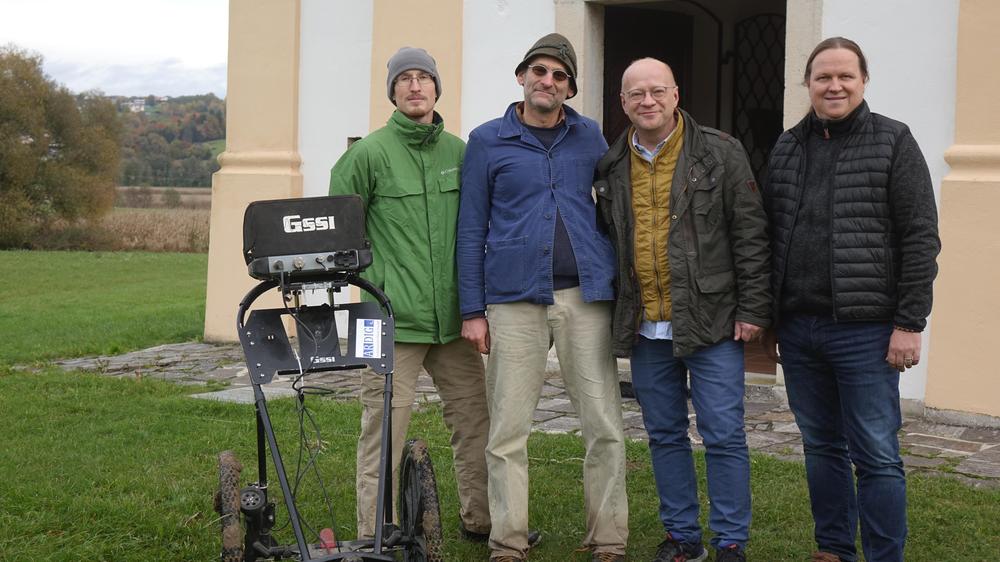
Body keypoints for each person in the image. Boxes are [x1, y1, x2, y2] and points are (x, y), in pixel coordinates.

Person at [762, 37, 940, 562]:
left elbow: (920, 237)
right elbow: (770, 235)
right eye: (823, 77)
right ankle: (833, 549)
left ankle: (885, 556)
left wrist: (910, 322)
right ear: (808, 85)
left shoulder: (893, 141)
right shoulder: (788, 146)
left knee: (878, 456)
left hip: (866, 330)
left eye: (845, 76)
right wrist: (770, 317)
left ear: (863, 81)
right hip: (799, 328)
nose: (834, 86)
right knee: (820, 447)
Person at [457, 33, 629, 562]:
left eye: (559, 75)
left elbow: (610, 207)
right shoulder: (488, 140)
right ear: (521, 76)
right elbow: (470, 228)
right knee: (508, 428)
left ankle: (608, 539)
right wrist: (472, 311)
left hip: (585, 298)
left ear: (570, 87)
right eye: (539, 71)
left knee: (603, 425)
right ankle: (507, 542)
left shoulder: (590, 137)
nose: (547, 81)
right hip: (512, 301)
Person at [595, 58, 771, 562]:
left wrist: (754, 308)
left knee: (722, 433)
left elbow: (751, 234)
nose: (646, 101)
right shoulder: (611, 164)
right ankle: (682, 537)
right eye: (635, 94)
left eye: (657, 91)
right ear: (622, 103)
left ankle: (731, 540)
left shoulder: (721, 152)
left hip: (713, 320)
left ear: (675, 94)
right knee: (664, 434)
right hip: (646, 324)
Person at [328, 46, 493, 543]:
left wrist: (476, 305)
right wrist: (361, 303)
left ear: (437, 88)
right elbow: (338, 233)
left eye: (424, 78)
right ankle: (374, 534)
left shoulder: (461, 154)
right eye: (405, 79)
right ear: (393, 91)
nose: (415, 86)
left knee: (475, 424)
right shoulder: (367, 155)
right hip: (387, 320)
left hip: (453, 321)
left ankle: (482, 520)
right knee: (384, 433)